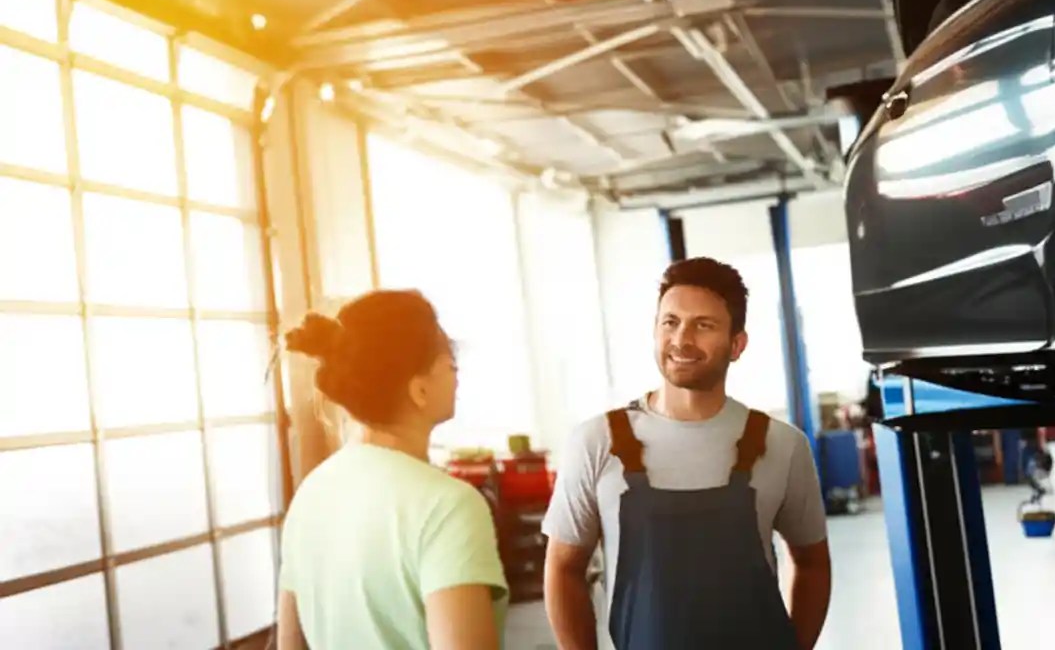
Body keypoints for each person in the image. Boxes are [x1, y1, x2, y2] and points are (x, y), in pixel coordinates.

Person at [542, 257, 832, 650]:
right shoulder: (597, 442)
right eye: (670, 322)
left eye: (704, 325)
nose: (681, 339)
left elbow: (812, 564)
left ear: (737, 344)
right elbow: (563, 568)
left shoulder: (782, 445)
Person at [275, 289, 508, 650]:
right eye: (450, 364)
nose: (457, 376)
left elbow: (290, 644)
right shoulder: (448, 506)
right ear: (419, 390)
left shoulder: (311, 493)